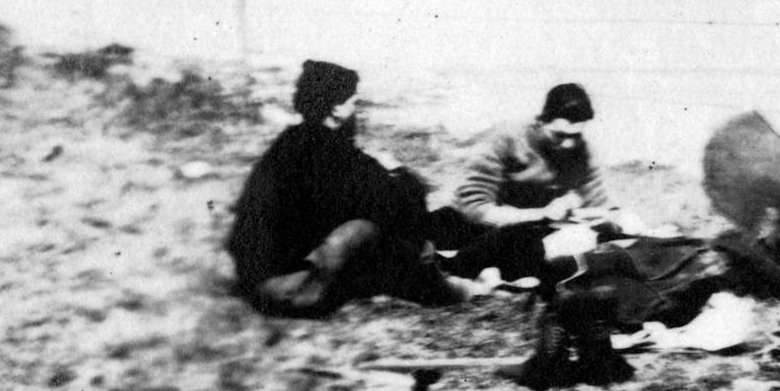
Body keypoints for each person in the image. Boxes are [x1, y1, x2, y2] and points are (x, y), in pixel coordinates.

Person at [226, 60, 468, 315]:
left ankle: (448, 279)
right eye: (354, 103)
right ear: (337, 110)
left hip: (254, 289)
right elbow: (405, 202)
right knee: (375, 232)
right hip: (293, 291)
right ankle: (452, 292)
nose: (357, 111)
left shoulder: (284, 146)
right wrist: (396, 171)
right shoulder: (333, 152)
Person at [431, 82, 616, 281]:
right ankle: (450, 268)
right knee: (436, 225)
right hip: (481, 226)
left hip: (530, 236)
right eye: (559, 135)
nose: (568, 143)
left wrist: (585, 210)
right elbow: (475, 208)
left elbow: (597, 207)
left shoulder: (583, 151)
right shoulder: (507, 139)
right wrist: (541, 214)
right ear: (541, 122)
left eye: (575, 135)